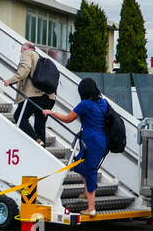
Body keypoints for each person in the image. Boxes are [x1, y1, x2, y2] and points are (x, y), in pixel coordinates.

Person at [44, 77, 108, 216]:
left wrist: (52, 112)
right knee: (79, 165)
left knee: (89, 171)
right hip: (102, 142)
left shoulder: (85, 104)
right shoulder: (103, 103)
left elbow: (68, 119)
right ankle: (87, 192)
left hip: (91, 142)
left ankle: (91, 208)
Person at [3, 41, 56, 145]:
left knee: (19, 117)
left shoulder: (27, 54)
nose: (21, 53)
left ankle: (37, 140)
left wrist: (10, 81)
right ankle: (41, 148)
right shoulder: (42, 59)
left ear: (25, 49)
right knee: (40, 126)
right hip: (49, 98)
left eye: (21, 51)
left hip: (34, 95)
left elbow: (24, 69)